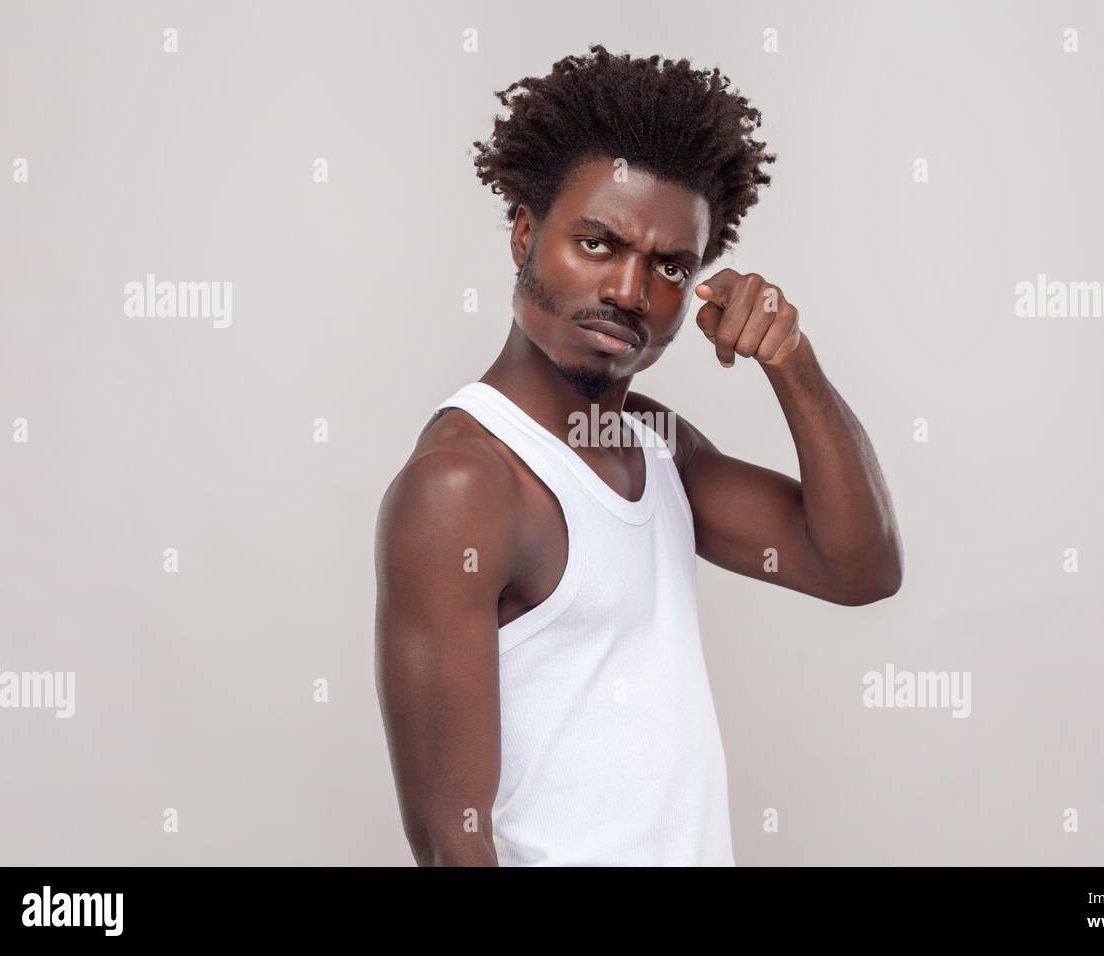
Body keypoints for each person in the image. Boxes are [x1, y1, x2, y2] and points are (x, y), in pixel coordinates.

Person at [374, 45, 902, 866]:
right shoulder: (463, 484)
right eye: (596, 243)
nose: (629, 290)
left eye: (668, 267)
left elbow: (857, 569)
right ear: (524, 233)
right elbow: (452, 844)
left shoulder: (657, 447)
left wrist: (790, 360)